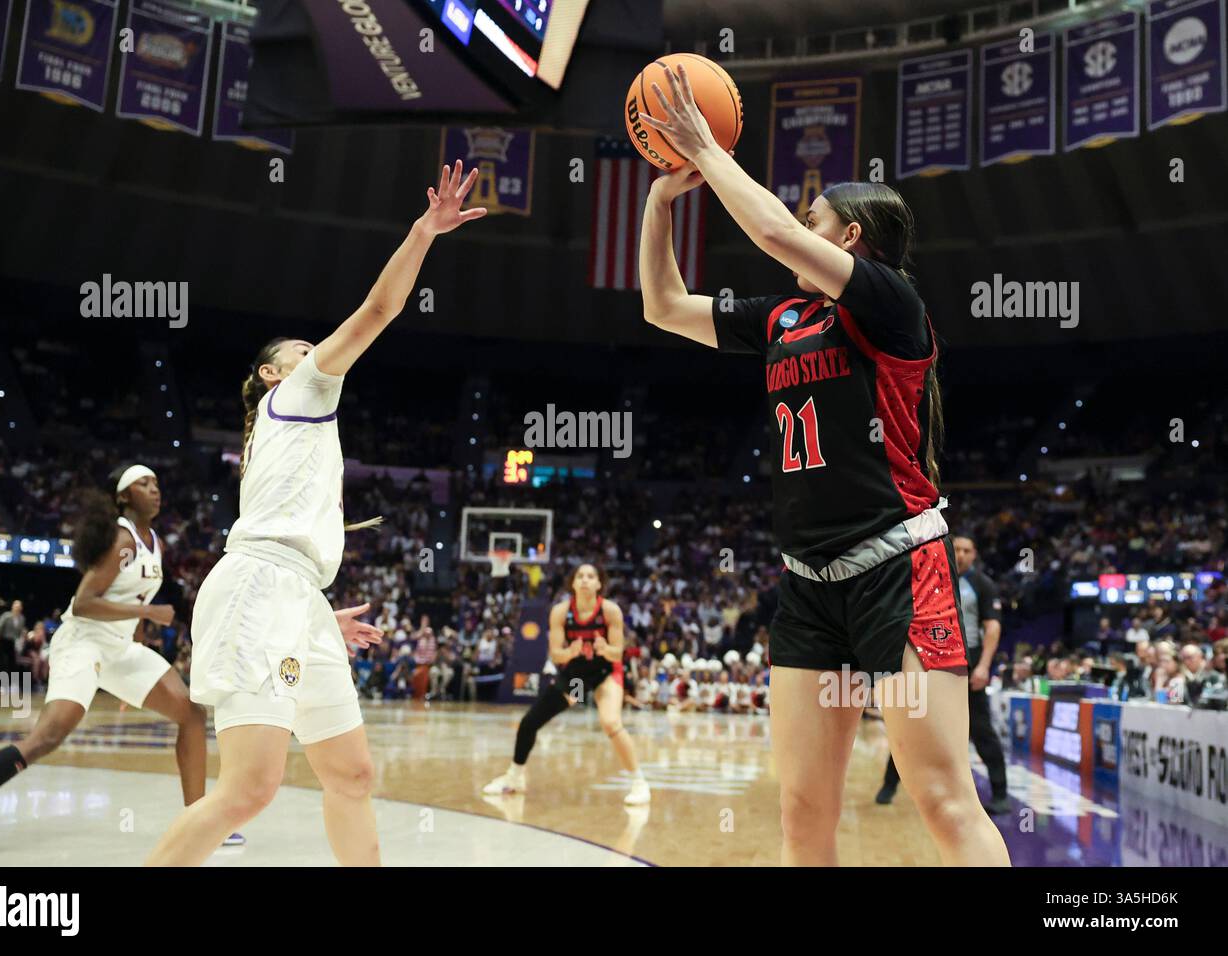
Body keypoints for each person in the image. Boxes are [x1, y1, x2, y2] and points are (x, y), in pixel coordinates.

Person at [636, 65, 1008, 865]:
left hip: (896, 574)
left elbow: (771, 232)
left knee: (942, 800)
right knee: (803, 811)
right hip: (809, 587)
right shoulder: (782, 316)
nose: (799, 226)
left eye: (816, 218)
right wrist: (660, 202)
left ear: (848, 239)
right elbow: (661, 306)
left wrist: (707, 147)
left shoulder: (886, 301)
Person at [144, 160, 485, 867]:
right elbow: (379, 312)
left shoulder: (294, 421)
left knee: (352, 775)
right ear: (274, 372)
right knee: (248, 791)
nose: (315, 352)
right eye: (301, 350)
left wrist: (312, 613)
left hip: (295, 599)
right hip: (260, 589)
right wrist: (424, 230)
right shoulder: (298, 390)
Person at [0, 466, 223, 859]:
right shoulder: (123, 539)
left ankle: (197, 822)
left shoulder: (155, 543)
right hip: (83, 641)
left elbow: (128, 603)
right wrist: (151, 614)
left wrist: (139, 642)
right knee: (47, 738)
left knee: (191, 714)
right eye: (143, 484)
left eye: (156, 483)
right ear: (123, 497)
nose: (155, 489)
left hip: (119, 649)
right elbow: (84, 603)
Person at [482, 564, 651, 806]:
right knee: (530, 721)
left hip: (604, 672)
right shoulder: (561, 612)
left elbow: (617, 654)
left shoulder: (610, 611)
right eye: (580, 576)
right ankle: (515, 777)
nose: (584, 580)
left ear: (598, 584)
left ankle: (639, 782)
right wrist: (569, 652)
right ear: (573, 583)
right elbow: (556, 655)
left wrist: (605, 649)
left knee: (611, 722)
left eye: (590, 576)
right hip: (577, 678)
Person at [876, 534, 1010, 815]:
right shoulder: (927, 575)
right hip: (927, 659)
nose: (960, 554)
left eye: (967, 550)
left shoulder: (982, 585)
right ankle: (889, 784)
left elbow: (993, 629)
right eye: (957, 549)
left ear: (974, 555)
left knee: (981, 729)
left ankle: (1000, 793)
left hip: (968, 663)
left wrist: (984, 666)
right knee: (910, 725)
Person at [0, 599, 26, 677]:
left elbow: (20, 632)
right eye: (16, 606)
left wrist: (20, 642)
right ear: (12, 607)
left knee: (12, 663)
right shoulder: (6, 616)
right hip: (3, 641)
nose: (17, 608)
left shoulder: (21, 619)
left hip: (12, 642)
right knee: (0, 663)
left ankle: (10, 684)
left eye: (19, 607)